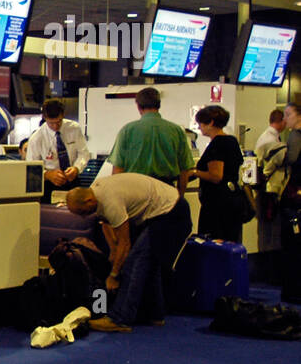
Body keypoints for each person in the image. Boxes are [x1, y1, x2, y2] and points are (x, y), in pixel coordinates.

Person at [65, 173, 192, 332]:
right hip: (166, 210)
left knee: (134, 262)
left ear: (88, 201)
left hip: (172, 214)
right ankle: (155, 314)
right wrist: (112, 249)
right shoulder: (96, 191)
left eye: (82, 212)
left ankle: (119, 318)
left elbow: (125, 244)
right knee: (149, 263)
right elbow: (106, 221)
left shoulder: (110, 200)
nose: (83, 217)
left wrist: (114, 275)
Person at [109, 87, 194, 196]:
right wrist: (180, 195)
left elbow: (118, 170)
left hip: (136, 191)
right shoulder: (176, 130)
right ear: (159, 105)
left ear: (138, 106)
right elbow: (184, 169)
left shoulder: (127, 130)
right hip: (167, 191)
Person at [190, 104, 244, 242]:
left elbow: (216, 176)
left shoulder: (217, 144)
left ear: (211, 123)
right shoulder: (232, 141)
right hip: (232, 199)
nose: (199, 127)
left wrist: (195, 172)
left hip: (217, 204)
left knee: (215, 243)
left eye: (201, 123)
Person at [26, 99, 90, 201]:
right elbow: (31, 169)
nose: (55, 126)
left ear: (63, 115)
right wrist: (47, 175)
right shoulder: (37, 138)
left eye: (59, 121)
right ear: (45, 118)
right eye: (51, 123)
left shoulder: (74, 128)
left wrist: (77, 168)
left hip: (72, 180)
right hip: (50, 185)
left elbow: (84, 154)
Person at [280, 102, 301, 303]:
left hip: (294, 197)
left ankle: (291, 290)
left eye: (288, 114)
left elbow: (291, 160)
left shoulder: (295, 136)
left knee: (291, 245)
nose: (285, 119)